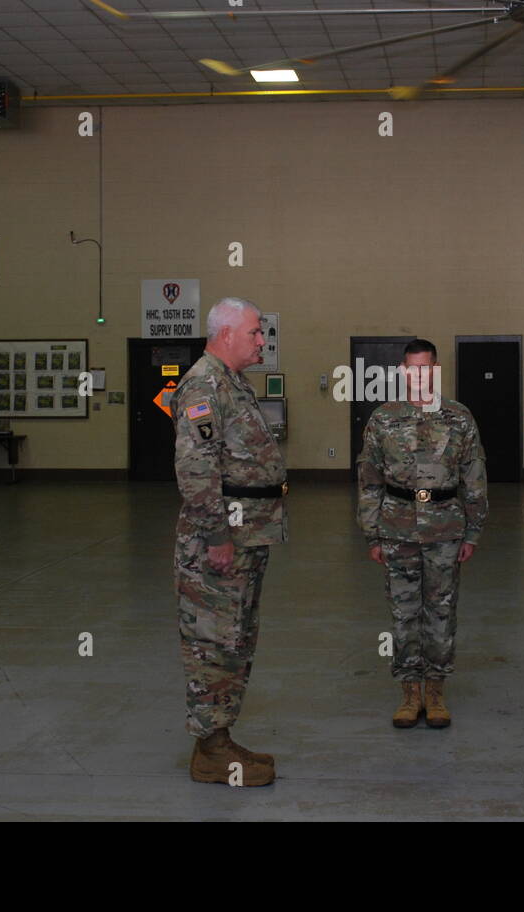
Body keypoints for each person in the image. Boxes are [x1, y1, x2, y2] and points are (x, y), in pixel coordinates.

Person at [172, 296, 287, 785]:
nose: (262, 341)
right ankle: (209, 751)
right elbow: (196, 468)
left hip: (247, 535)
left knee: (235, 636)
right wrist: (217, 535)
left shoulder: (232, 382)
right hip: (221, 539)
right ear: (226, 334)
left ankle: (220, 737)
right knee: (213, 641)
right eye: (256, 332)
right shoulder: (203, 384)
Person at [357, 339, 487, 729]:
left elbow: (474, 478)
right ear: (402, 371)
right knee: (403, 613)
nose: (418, 376)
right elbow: (369, 481)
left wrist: (473, 531)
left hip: (446, 527)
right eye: (411, 369)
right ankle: (409, 692)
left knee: (441, 612)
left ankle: (435, 689)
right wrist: (372, 534)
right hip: (396, 528)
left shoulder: (458, 417)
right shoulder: (383, 419)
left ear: (435, 370)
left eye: (425, 368)